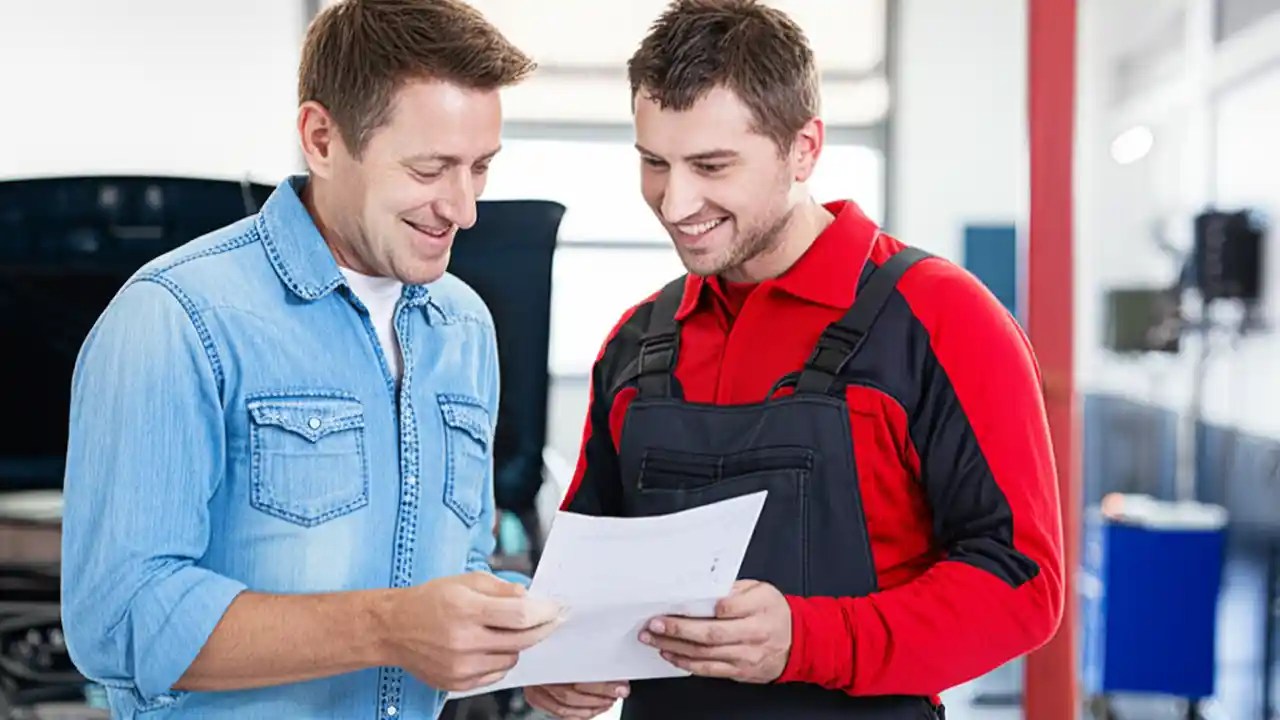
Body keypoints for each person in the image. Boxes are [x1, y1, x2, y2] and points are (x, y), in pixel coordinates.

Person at [524, 1, 1066, 718]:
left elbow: (1023, 584)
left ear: (804, 148)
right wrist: (556, 659)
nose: (675, 202)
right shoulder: (636, 343)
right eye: (654, 163)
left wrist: (809, 640)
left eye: (711, 165)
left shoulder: (942, 319)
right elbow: (580, 585)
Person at [58, 2, 563, 718]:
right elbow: (119, 620)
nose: (465, 208)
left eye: (479, 167)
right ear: (322, 139)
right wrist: (388, 628)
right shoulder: (175, 318)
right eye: (430, 169)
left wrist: (534, 651)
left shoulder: (465, 326)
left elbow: (463, 568)